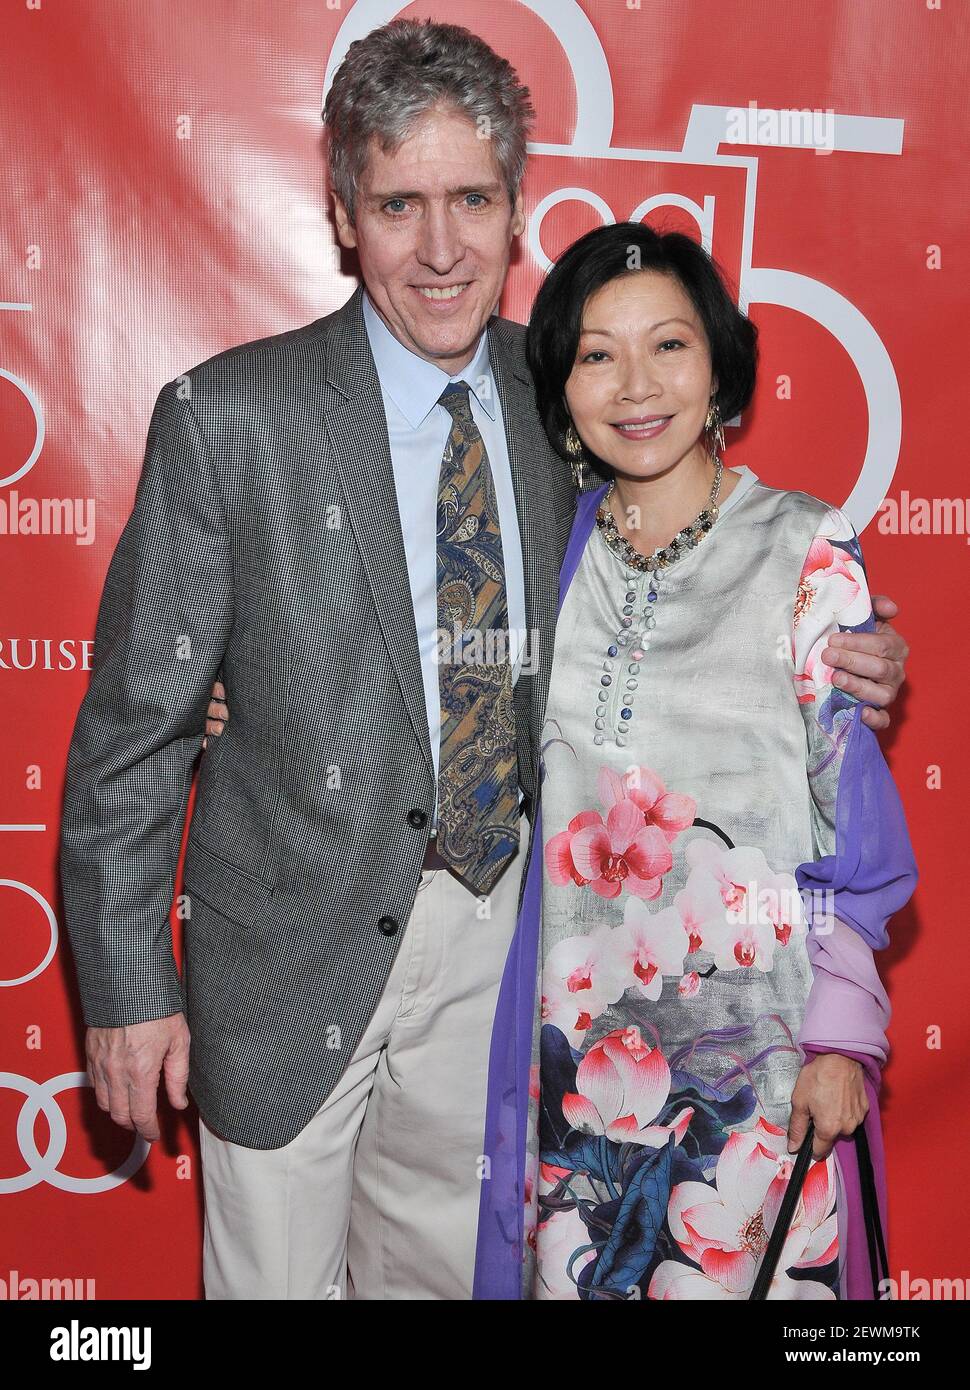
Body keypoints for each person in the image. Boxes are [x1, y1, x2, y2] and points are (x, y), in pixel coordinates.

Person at [59, 18, 907, 1303]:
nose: (442, 247)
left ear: (518, 209)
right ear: (344, 213)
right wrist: (124, 988)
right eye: (400, 204)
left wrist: (844, 644)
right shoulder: (226, 416)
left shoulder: (565, 389)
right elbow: (132, 731)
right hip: (283, 960)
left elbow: (696, 554)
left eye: (471, 199)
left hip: (500, 957)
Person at [470, 222, 917, 1301]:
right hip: (574, 1082)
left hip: (757, 1075)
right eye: (594, 353)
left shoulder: (803, 548)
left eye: (667, 345)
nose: (635, 384)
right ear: (562, 389)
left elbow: (850, 822)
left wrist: (842, 1044)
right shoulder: (543, 552)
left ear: (718, 364)